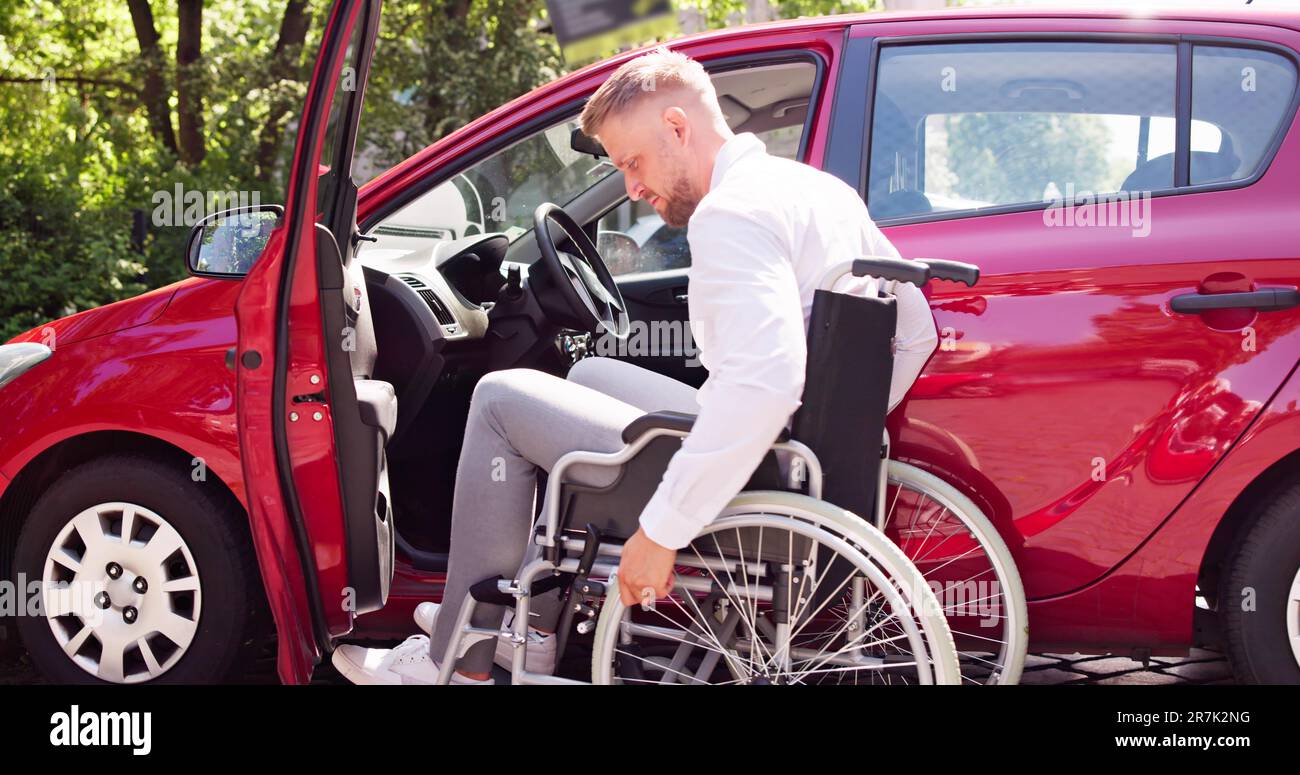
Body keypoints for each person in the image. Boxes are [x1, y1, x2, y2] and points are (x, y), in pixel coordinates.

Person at [332, 48, 938, 685]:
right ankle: (532, 632)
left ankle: (457, 662)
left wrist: (662, 528)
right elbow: (915, 326)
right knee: (589, 375)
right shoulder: (813, 188)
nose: (631, 186)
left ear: (678, 127)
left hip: (755, 460)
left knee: (500, 398)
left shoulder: (731, 215)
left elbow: (764, 383)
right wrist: (833, 432)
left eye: (633, 161)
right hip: (790, 453)